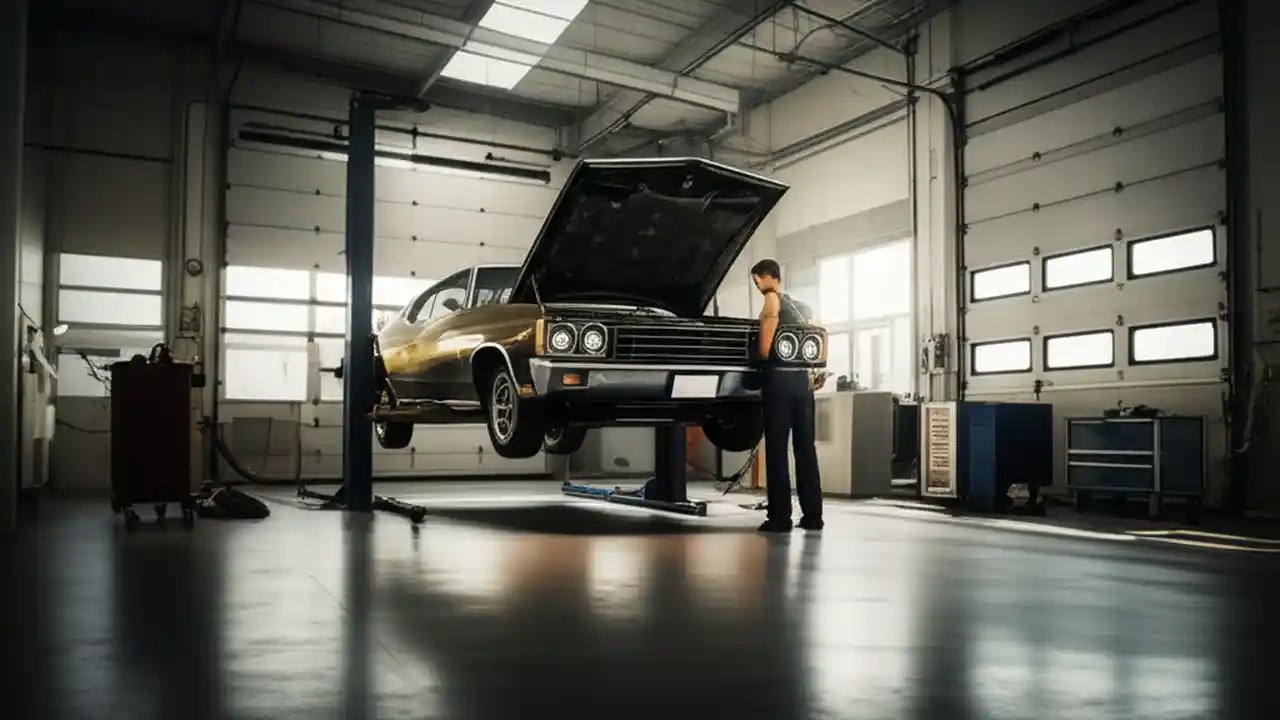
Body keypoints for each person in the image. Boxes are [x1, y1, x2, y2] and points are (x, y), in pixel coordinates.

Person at [750, 259, 823, 533]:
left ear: (768, 277)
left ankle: (780, 517)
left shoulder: (771, 300)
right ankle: (813, 516)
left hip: (779, 380)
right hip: (803, 383)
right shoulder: (804, 308)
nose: (757, 286)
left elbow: (765, 344)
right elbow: (818, 341)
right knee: (806, 450)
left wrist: (757, 359)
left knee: (777, 450)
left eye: (757, 279)